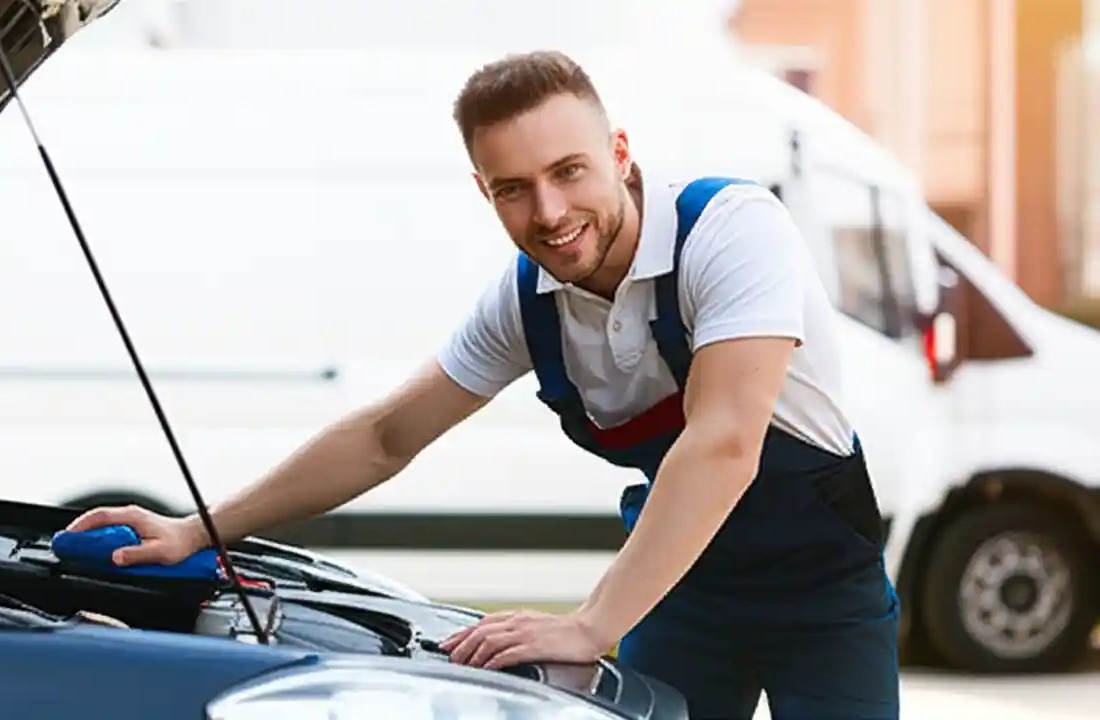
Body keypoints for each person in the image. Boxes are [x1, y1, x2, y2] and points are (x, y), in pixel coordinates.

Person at [65, 49, 900, 719]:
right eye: (513, 188)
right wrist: (198, 529)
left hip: (824, 592)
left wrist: (591, 624)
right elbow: (386, 436)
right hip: (681, 589)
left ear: (619, 153)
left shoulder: (731, 231)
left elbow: (723, 444)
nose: (548, 212)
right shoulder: (527, 301)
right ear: (484, 191)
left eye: (569, 171)